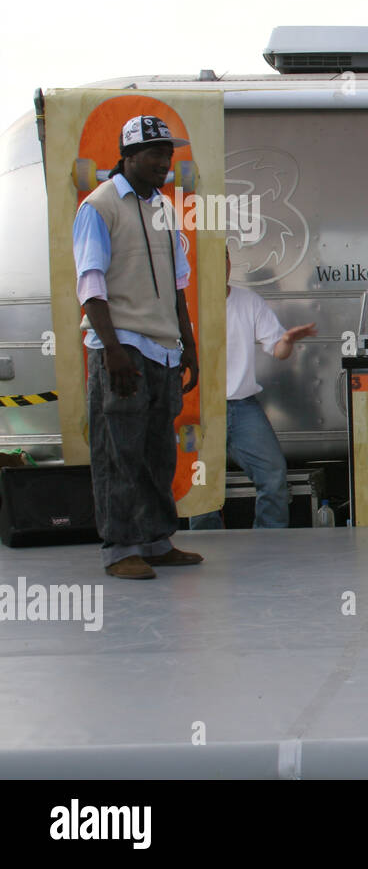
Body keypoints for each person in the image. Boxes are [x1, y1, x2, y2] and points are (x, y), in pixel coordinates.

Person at [73, 115, 202, 579]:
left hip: (163, 349)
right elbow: (91, 287)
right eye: (154, 154)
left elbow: (178, 285)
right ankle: (119, 548)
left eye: (168, 154)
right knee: (118, 450)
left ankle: (154, 540)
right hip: (123, 346)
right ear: (128, 157)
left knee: (156, 452)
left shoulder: (164, 209)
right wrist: (112, 350)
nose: (164, 162)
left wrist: (188, 345)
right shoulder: (99, 205)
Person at [189, 249, 316, 529]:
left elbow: (278, 349)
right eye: (211, 261)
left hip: (242, 405)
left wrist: (288, 340)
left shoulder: (248, 301)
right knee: (202, 487)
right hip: (198, 409)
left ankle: (268, 547)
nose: (218, 266)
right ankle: (209, 552)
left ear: (228, 263)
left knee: (273, 475)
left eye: (222, 260)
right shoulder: (187, 303)